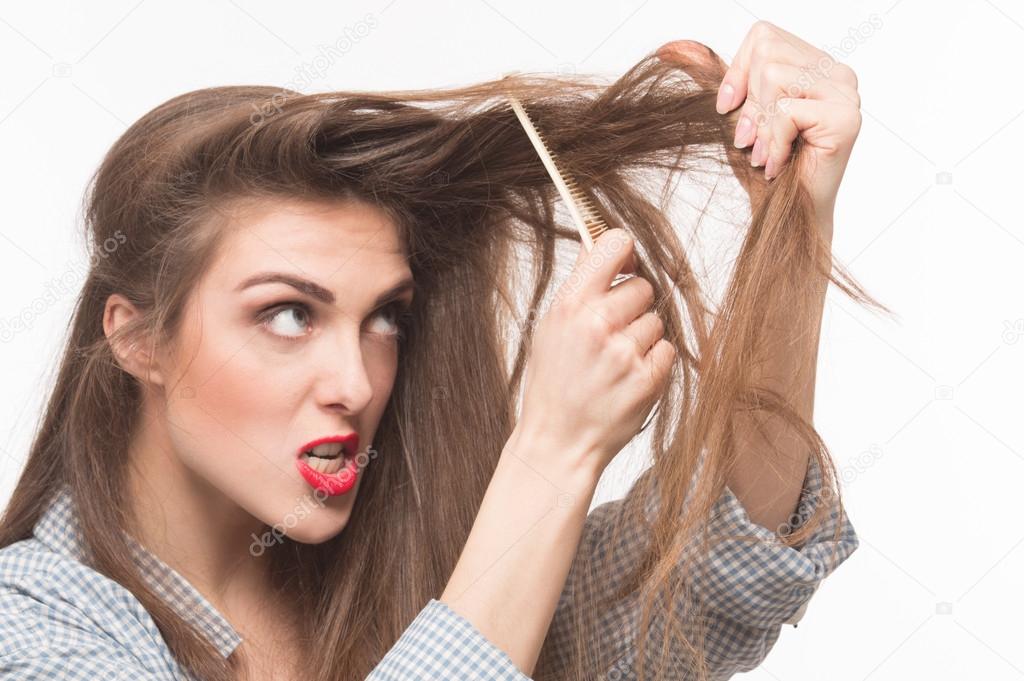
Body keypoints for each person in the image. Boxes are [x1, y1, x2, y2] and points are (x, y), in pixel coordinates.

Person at [0, 23, 872, 680]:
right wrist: (553, 451)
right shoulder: (32, 628)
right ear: (137, 337)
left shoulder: (418, 565)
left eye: (385, 317)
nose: (355, 382)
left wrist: (791, 226)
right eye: (289, 314)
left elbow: (718, 580)